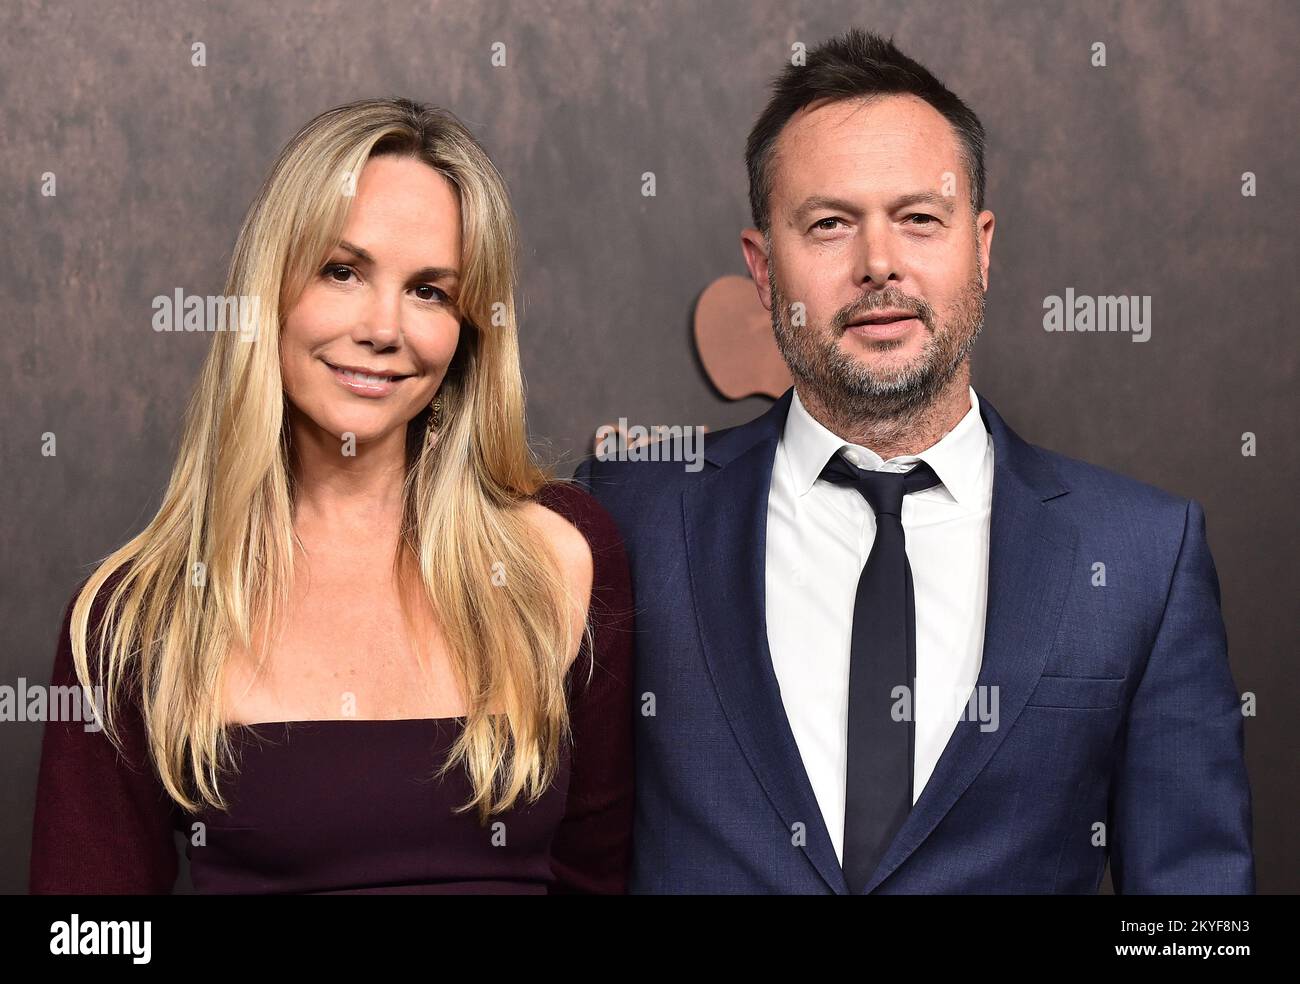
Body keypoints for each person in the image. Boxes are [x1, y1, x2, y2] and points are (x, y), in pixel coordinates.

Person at [575, 29, 1253, 894]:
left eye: (919, 219)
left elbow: (1195, 912)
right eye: (828, 225)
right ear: (760, 266)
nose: (879, 265)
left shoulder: (1143, 555)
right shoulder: (624, 516)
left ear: (982, 246)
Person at [30, 97, 634, 894]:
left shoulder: (563, 553)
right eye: (342, 271)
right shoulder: (136, 618)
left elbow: (601, 882)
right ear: (269, 290)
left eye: (429, 291)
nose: (384, 328)